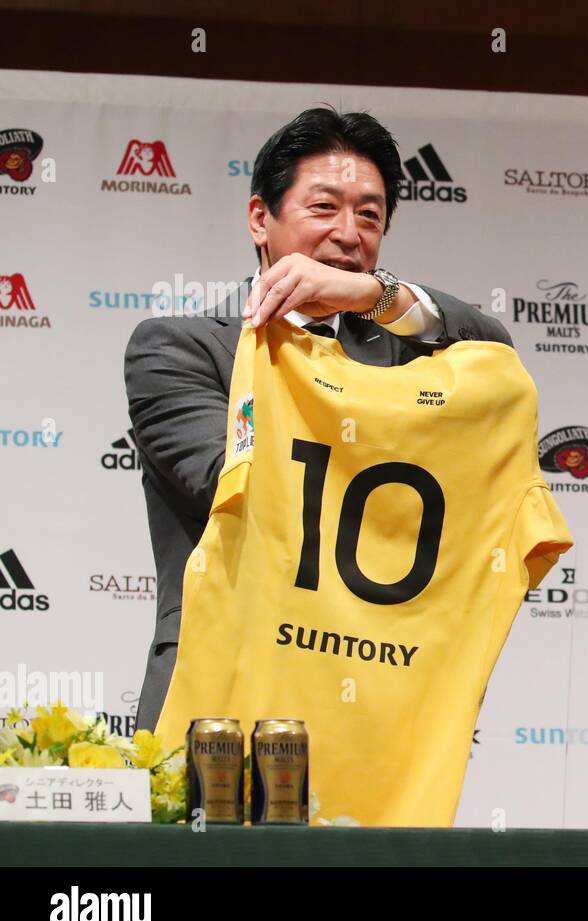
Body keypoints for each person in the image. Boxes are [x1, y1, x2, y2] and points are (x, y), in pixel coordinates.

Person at [125, 107, 510, 733]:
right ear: (260, 218)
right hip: (219, 694)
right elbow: (237, 483)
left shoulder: (407, 353)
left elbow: (496, 355)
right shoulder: (181, 349)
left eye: (369, 215)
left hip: (373, 697)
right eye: (323, 208)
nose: (348, 234)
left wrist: (374, 297)